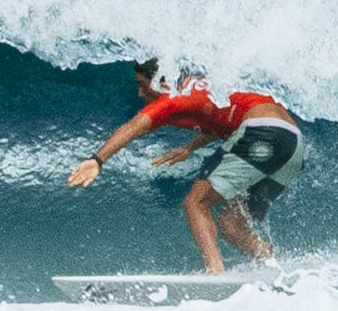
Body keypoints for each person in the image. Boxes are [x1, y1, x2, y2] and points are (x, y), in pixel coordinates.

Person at [67, 59, 306, 272]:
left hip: (261, 131)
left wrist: (97, 160)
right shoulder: (202, 87)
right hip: (293, 142)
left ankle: (215, 271)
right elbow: (224, 119)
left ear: (162, 82)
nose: (140, 93)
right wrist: (190, 148)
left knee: (196, 202)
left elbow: (132, 128)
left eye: (142, 84)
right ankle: (273, 267)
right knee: (232, 224)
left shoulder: (172, 99)